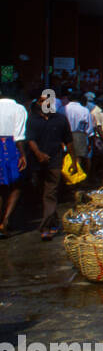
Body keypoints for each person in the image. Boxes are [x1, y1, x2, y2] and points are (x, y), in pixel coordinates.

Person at [26, 91, 72, 240]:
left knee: (50, 193)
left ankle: (45, 227)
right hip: (37, 163)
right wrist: (39, 154)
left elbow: (69, 141)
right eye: (41, 101)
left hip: (55, 161)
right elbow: (30, 140)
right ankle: (54, 221)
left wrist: (74, 160)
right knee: (43, 193)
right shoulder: (33, 120)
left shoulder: (60, 120)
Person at [0, 83, 28, 237]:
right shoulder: (19, 109)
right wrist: (23, 154)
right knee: (16, 185)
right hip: (10, 147)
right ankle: (6, 219)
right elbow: (19, 135)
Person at [62, 90, 92, 172]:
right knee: (78, 157)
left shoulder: (63, 109)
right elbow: (89, 129)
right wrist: (89, 142)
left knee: (65, 157)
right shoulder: (84, 110)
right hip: (79, 135)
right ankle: (77, 178)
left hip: (64, 135)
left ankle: (67, 178)